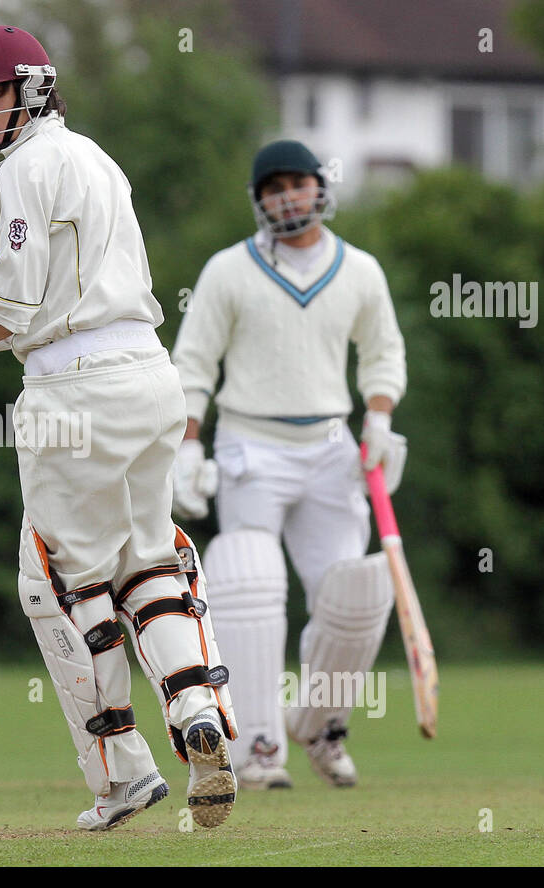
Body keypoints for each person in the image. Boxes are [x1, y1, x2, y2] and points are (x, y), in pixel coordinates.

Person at [0, 25, 239, 830]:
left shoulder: (25, 170)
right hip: (149, 377)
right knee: (147, 563)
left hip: (73, 391)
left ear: (32, 87)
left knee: (58, 581)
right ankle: (197, 711)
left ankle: (120, 774)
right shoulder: (96, 157)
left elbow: (15, 307)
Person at [170, 140, 408, 789]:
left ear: (318, 189)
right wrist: (189, 444)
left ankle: (322, 728)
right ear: (259, 199)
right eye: (272, 188)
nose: (286, 197)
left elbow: (383, 354)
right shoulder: (228, 270)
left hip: (333, 448)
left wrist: (379, 419)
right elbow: (193, 365)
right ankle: (258, 745)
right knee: (250, 585)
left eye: (295, 185)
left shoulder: (359, 270)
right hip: (250, 444)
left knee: (352, 598)